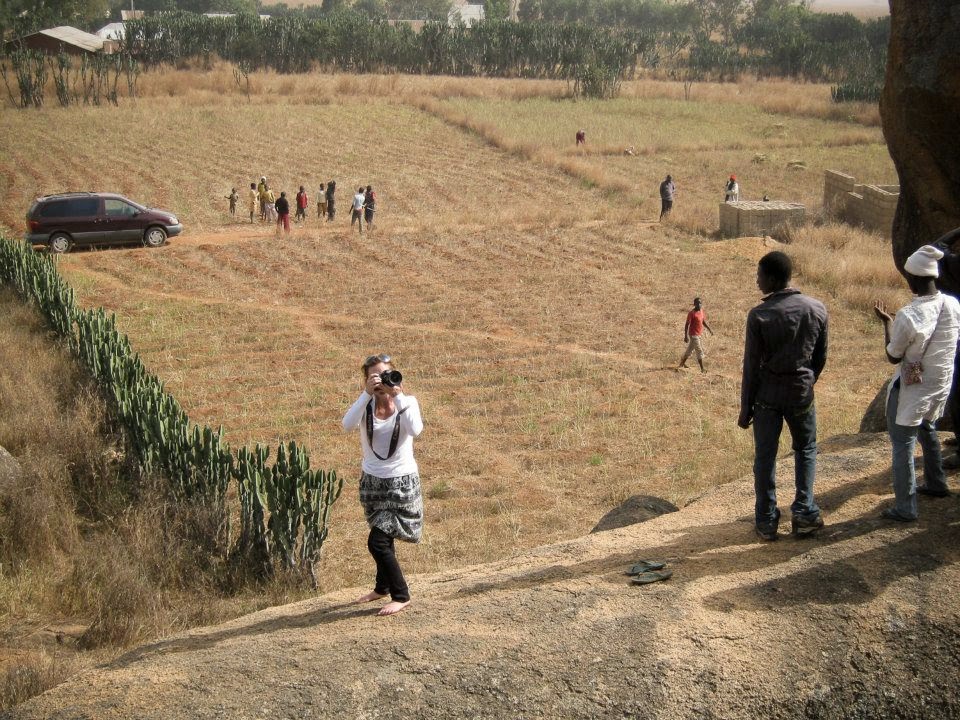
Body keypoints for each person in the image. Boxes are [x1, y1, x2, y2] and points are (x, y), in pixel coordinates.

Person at [739, 251, 828, 541]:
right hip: (801, 394)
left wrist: (745, 408)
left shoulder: (760, 315)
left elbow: (751, 366)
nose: (756, 281)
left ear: (773, 279)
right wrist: (805, 379)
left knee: (766, 457)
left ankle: (766, 520)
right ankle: (804, 511)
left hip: (767, 398)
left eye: (759, 275)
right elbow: (820, 358)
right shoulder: (817, 309)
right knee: (806, 450)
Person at [873, 245, 960, 521]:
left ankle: (905, 506)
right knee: (928, 427)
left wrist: (887, 323)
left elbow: (892, 355)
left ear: (913, 279)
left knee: (902, 443)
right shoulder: (953, 304)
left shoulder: (909, 315)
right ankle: (936, 482)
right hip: (939, 383)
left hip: (912, 387)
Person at [342, 353, 424, 617]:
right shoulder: (365, 405)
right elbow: (346, 425)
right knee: (383, 537)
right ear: (367, 379)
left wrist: (397, 395)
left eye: (386, 373)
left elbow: (416, 429)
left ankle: (401, 595)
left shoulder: (408, 402)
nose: (382, 380)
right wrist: (366, 394)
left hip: (401, 485)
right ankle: (382, 587)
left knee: (377, 542)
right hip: (372, 483)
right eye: (375, 376)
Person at [679, 297, 714, 373]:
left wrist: (709, 329)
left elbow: (703, 321)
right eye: (697, 303)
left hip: (698, 334)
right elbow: (687, 324)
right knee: (699, 350)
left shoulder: (701, 311)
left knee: (690, 350)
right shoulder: (691, 313)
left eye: (700, 303)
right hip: (693, 334)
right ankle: (702, 369)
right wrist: (685, 336)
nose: (699, 304)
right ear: (694, 304)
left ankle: (681, 364)